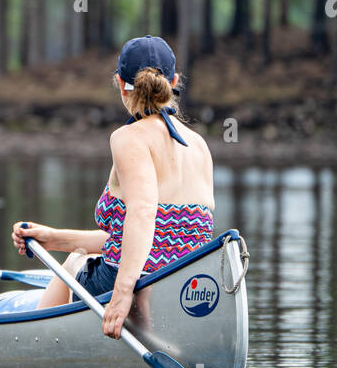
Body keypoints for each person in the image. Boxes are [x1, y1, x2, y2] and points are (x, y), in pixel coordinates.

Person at [11, 35, 214, 337]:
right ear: (174, 81)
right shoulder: (198, 145)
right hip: (186, 289)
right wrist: (53, 238)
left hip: (142, 288)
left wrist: (122, 295)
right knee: (77, 254)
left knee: (75, 263)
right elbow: (152, 241)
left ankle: (31, 347)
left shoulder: (128, 138)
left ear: (121, 83)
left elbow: (143, 214)